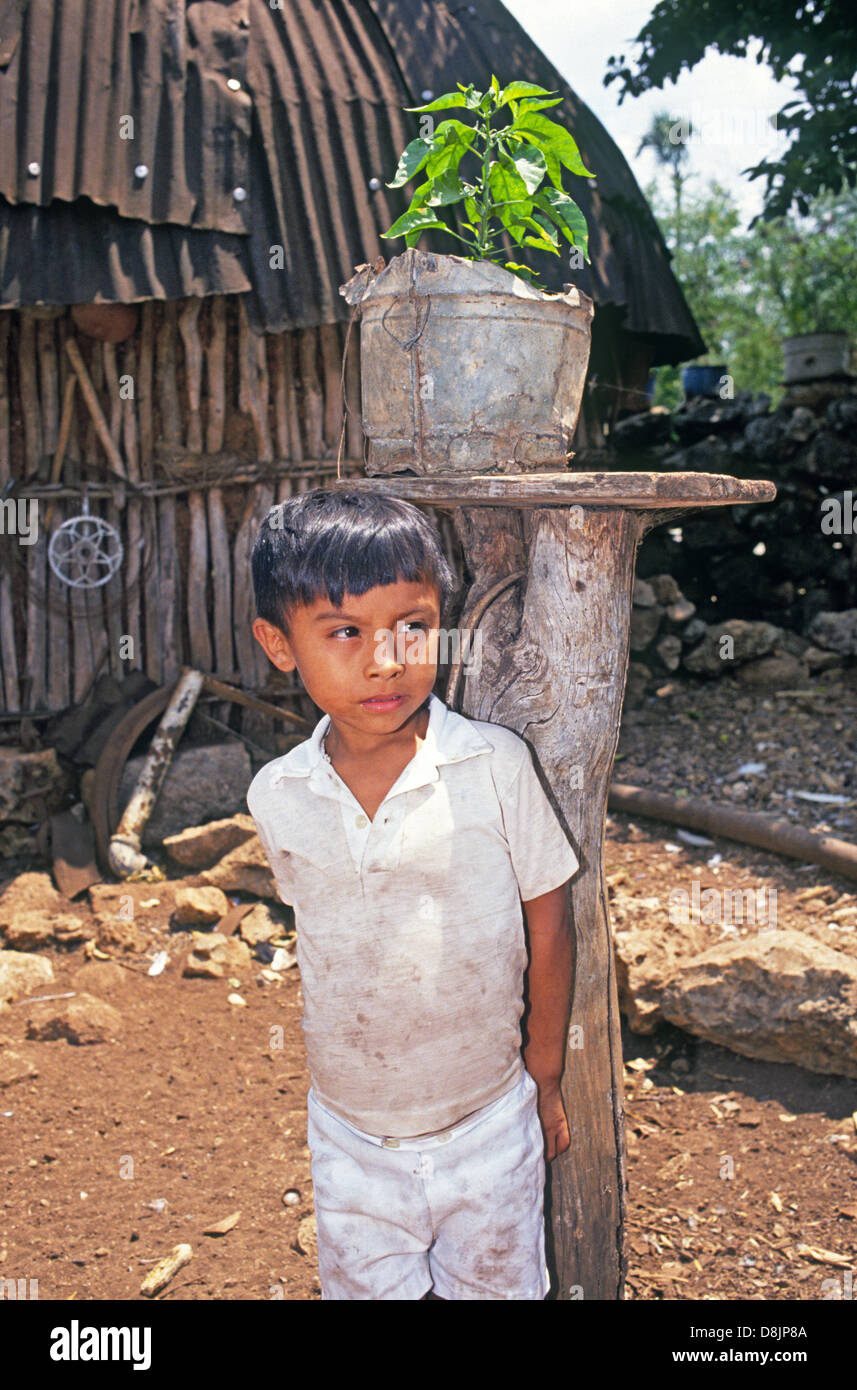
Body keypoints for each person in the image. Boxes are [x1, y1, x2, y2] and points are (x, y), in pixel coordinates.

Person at [246, 488, 580, 1301]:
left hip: (488, 1121)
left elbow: (549, 923)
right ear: (278, 644)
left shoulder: (493, 766)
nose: (387, 659)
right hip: (350, 1134)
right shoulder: (278, 793)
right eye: (346, 632)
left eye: (413, 625)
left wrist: (542, 1076)